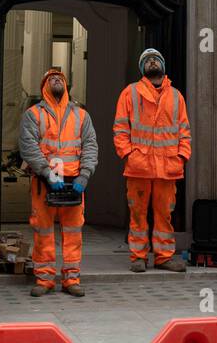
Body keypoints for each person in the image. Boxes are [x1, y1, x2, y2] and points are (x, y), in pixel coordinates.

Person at [17, 67, 98, 297]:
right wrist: (47, 172)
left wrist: (84, 175)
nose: (55, 80)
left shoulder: (81, 115)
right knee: (43, 231)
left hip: (74, 184)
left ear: (65, 84)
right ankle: (44, 279)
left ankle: (72, 279)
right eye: (51, 78)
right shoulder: (33, 115)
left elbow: (90, 146)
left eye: (59, 78)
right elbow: (28, 146)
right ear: (44, 86)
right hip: (45, 183)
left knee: (73, 233)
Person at [113, 48, 191, 273]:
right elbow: (120, 128)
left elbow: (184, 130)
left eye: (156, 59)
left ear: (163, 66)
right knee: (137, 214)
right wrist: (127, 154)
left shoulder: (176, 96)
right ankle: (138, 256)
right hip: (139, 166)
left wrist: (182, 155)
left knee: (164, 214)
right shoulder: (130, 93)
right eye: (147, 61)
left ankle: (164, 257)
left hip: (168, 167)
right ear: (142, 69)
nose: (152, 62)